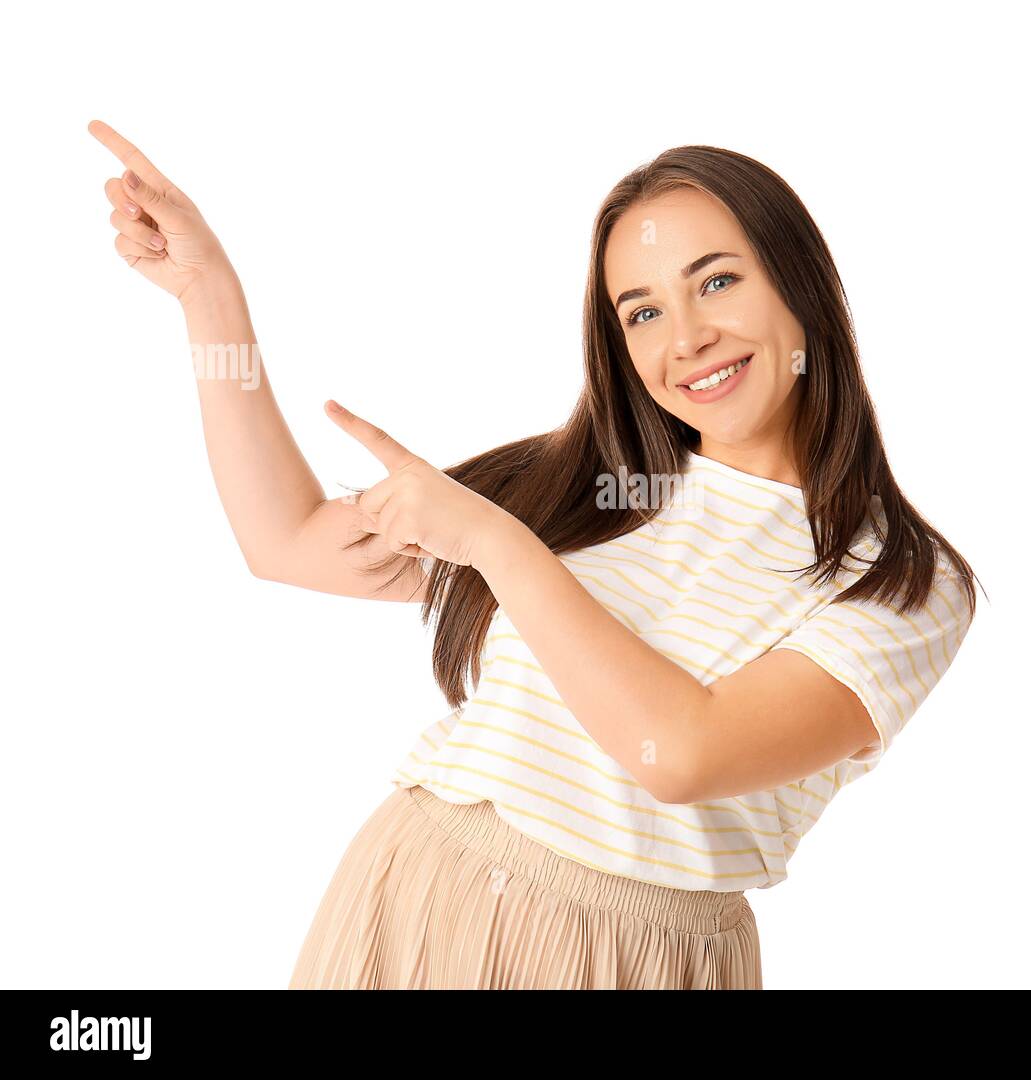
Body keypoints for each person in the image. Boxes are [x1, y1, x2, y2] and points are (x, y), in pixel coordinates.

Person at [90, 120, 981, 990]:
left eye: (715, 283)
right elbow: (282, 540)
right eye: (643, 312)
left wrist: (491, 540)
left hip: (635, 960)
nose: (686, 339)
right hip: (416, 892)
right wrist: (210, 296)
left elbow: (679, 753)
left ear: (800, 286)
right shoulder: (583, 490)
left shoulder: (903, 579)